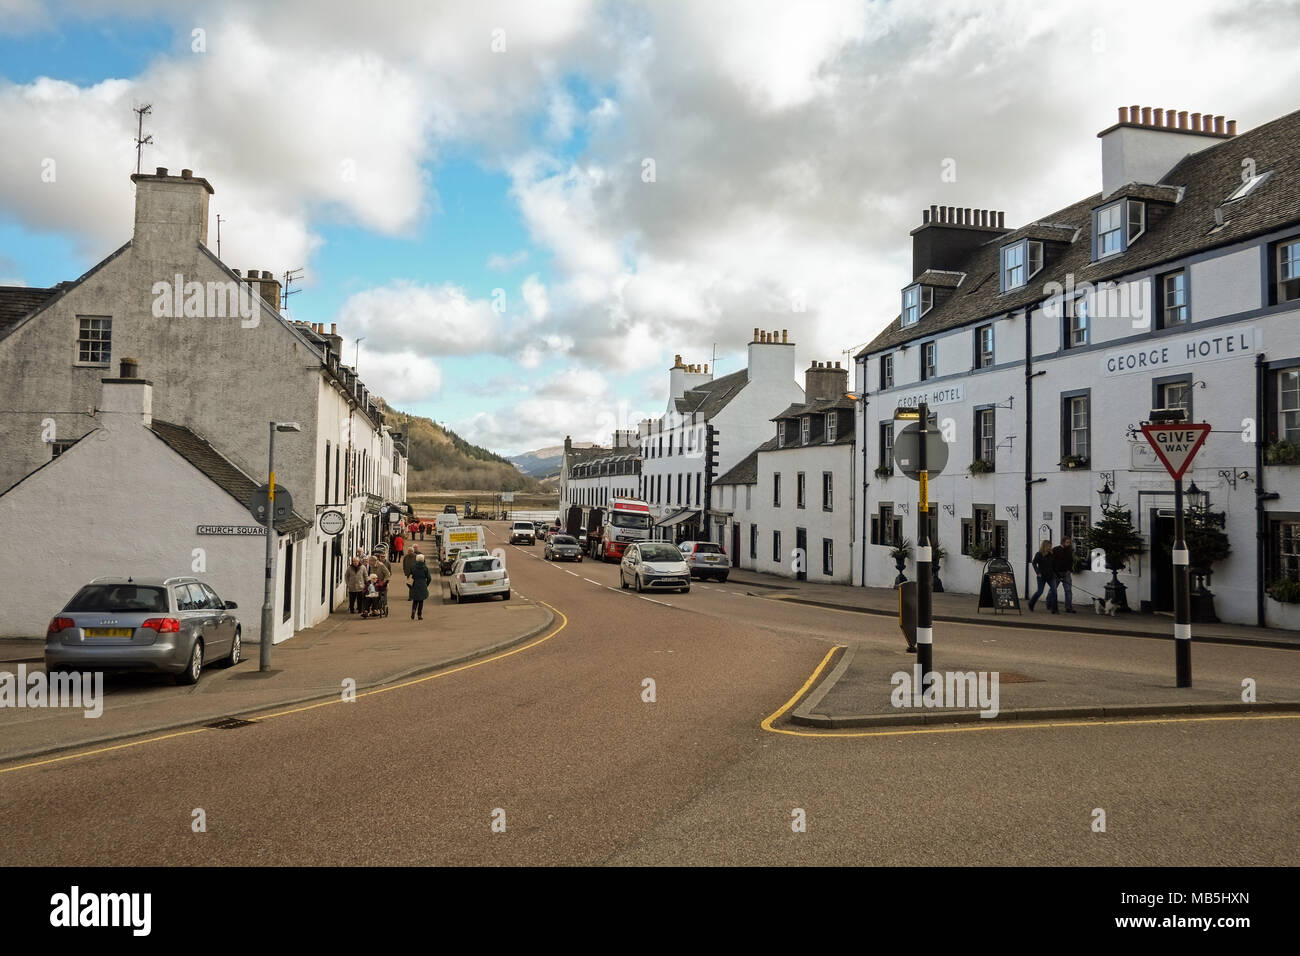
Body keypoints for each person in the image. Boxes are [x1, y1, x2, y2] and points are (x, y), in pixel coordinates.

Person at [1028, 540, 1055, 612]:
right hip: (1041, 577)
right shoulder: (1039, 554)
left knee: (1054, 591)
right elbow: (1034, 563)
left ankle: (1054, 608)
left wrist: (1055, 574)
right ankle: (1031, 603)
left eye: (1050, 546)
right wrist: (1038, 572)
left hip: (1050, 576)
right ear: (1044, 546)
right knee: (1040, 591)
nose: (1050, 547)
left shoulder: (1051, 554)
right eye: (1048, 546)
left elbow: (1054, 565)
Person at [1052, 537, 1076, 613]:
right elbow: (1052, 562)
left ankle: (1068, 607)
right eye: (1067, 542)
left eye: (1069, 542)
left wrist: (1070, 570)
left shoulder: (1070, 550)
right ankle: (1050, 605)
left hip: (1066, 573)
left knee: (1068, 590)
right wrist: (1055, 572)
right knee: (1053, 589)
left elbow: (1071, 561)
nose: (1069, 544)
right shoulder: (1055, 549)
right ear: (1063, 542)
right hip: (1056, 573)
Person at [409, 553, 432, 621]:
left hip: (415, 584)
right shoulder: (425, 568)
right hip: (422, 584)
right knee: (421, 601)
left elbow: (410, 576)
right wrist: (426, 584)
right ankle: (419, 615)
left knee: (415, 600)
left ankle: (413, 610)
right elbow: (429, 578)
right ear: (423, 560)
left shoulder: (413, 567)